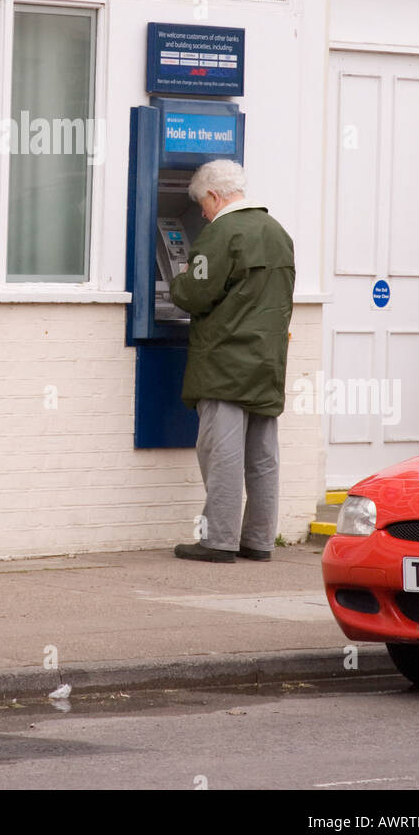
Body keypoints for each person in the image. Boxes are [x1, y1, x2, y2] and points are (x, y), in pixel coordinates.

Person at [169, 160, 295, 564]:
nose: (202, 213)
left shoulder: (221, 233)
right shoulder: (278, 232)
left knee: (221, 453)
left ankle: (218, 540)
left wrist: (181, 278)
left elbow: (193, 295)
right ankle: (258, 540)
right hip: (267, 360)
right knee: (262, 456)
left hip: (225, 361)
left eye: (201, 204)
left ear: (214, 196)